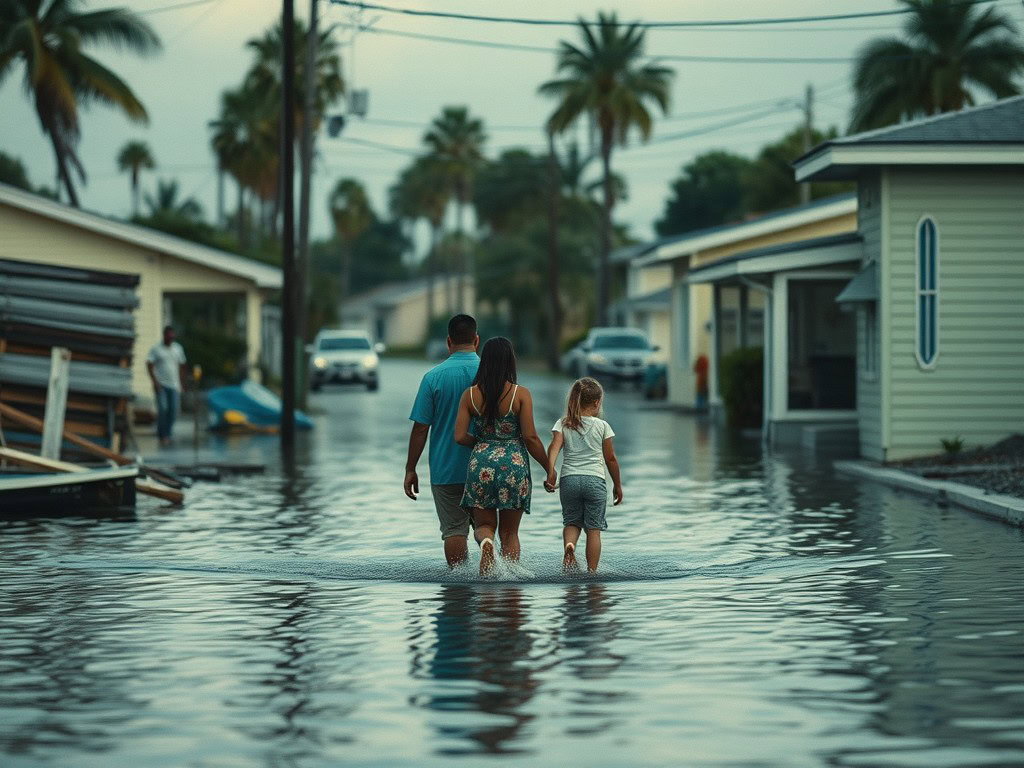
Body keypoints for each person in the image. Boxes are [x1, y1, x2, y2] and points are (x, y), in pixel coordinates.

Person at [454, 337, 555, 576]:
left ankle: (486, 543)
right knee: (509, 533)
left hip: (481, 465)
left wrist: (482, 446)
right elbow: (531, 438)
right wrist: (549, 467)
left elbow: (459, 436)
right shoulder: (520, 394)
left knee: (484, 526)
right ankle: (510, 583)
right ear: (511, 361)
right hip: (514, 465)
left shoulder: (469, 395)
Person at [405, 314, 481, 567]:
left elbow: (420, 428)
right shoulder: (492, 375)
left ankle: (458, 588)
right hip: (486, 467)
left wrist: (410, 469)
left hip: (446, 469)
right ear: (476, 340)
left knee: (454, 531)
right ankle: (494, 580)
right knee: (487, 527)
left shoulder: (433, 377)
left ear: (449, 342)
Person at [544, 377, 622, 573]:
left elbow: (554, 448)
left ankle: (569, 547)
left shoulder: (563, 424)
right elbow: (610, 458)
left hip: (569, 481)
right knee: (593, 530)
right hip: (595, 481)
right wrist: (617, 485)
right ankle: (591, 572)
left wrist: (550, 472)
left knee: (571, 522)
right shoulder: (602, 426)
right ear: (596, 403)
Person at [146, 325, 187, 447]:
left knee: (173, 411)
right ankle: (163, 435)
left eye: (172, 336)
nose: (170, 338)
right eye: (168, 336)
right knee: (163, 409)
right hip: (161, 384)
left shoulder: (177, 349)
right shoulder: (156, 349)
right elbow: (149, 364)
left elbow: (182, 366)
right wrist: (154, 382)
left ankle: (167, 433)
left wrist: (182, 383)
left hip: (174, 384)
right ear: (164, 336)